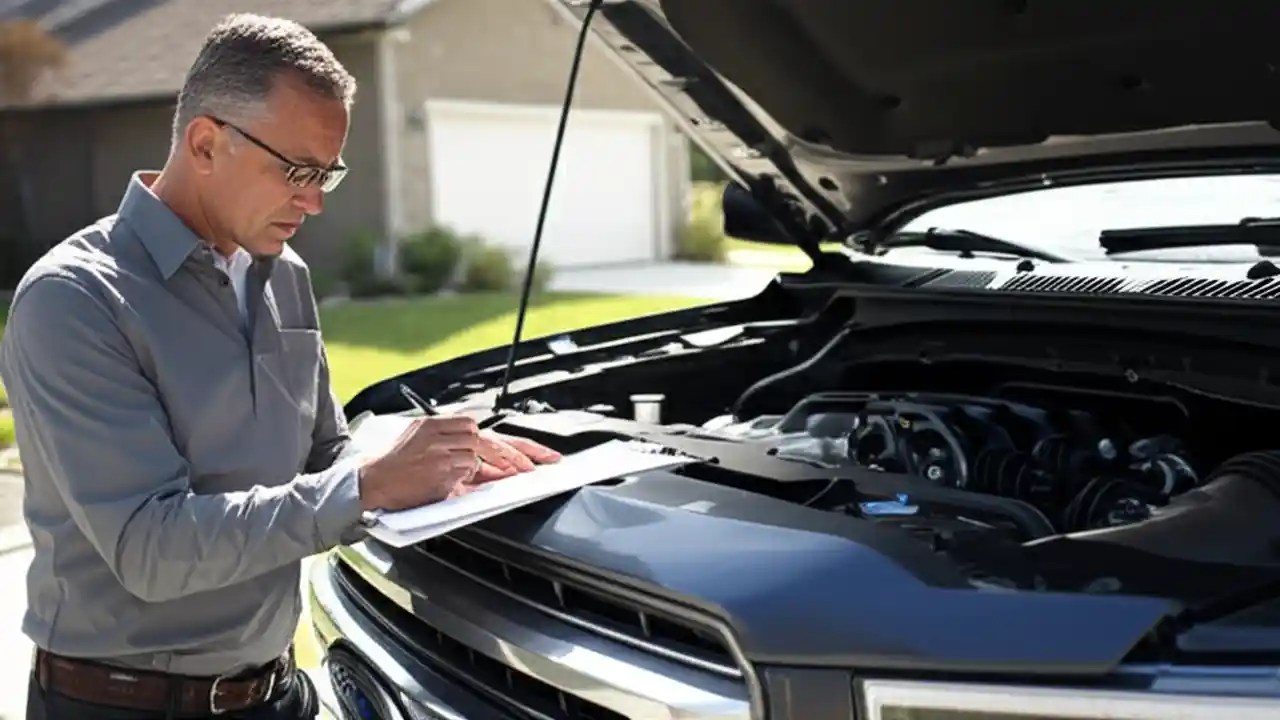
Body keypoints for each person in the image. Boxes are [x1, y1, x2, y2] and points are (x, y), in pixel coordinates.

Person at [0, 13, 561, 720]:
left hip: (276, 693)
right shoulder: (75, 300)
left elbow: (325, 453)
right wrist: (370, 486)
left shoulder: (283, 275)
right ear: (206, 143)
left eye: (328, 172)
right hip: (121, 706)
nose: (316, 200)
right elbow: (150, 546)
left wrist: (440, 462)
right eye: (298, 171)